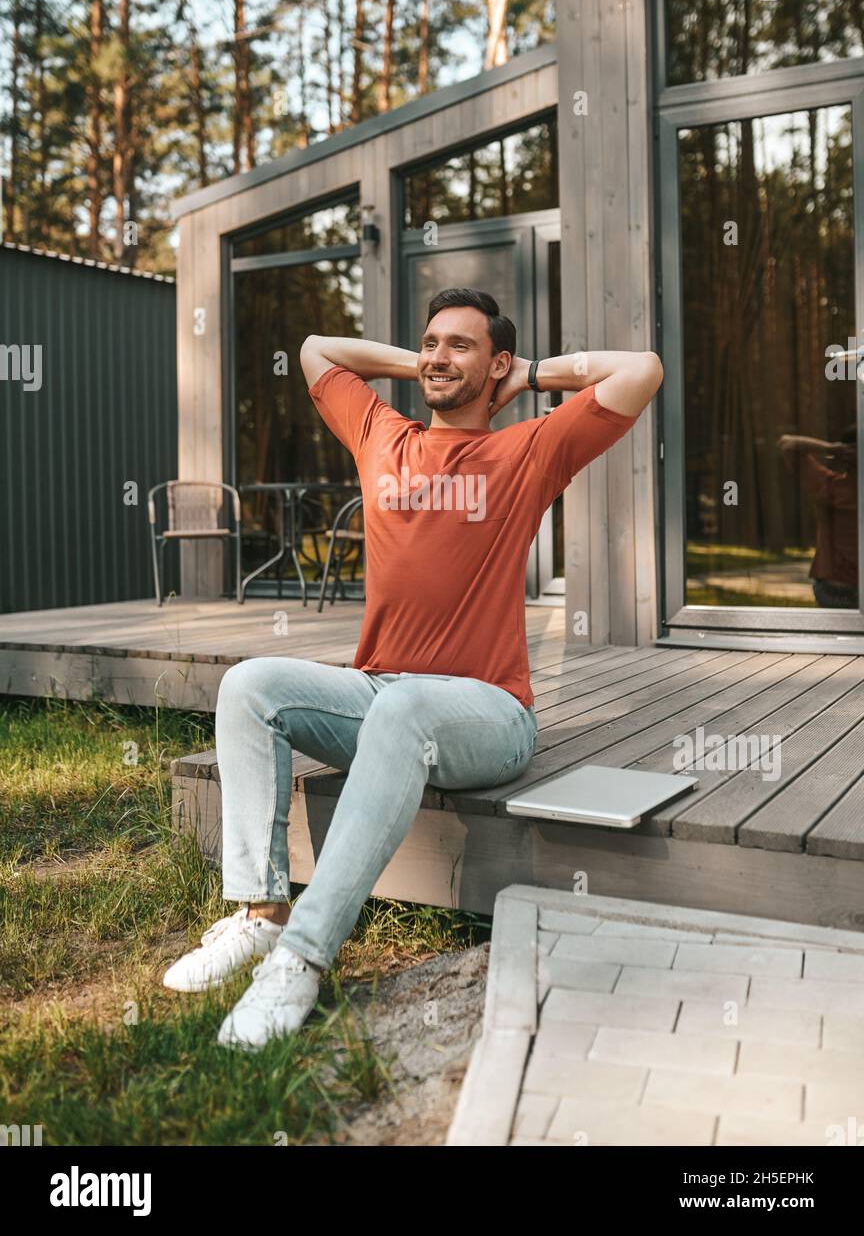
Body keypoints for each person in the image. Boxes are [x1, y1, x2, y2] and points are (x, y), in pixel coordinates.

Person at [162, 287, 663, 1049]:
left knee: (402, 711)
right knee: (248, 686)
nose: (437, 355)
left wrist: (524, 376)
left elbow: (643, 369)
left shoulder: (527, 451)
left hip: (487, 712)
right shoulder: (379, 433)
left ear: (496, 361)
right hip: (381, 691)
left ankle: (301, 959)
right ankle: (262, 916)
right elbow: (315, 351)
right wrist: (428, 366)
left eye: (460, 345)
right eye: (431, 342)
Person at [778, 427, 858, 608]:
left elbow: (787, 443)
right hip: (838, 589)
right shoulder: (830, 487)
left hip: (835, 588)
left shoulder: (828, 487)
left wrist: (832, 449)